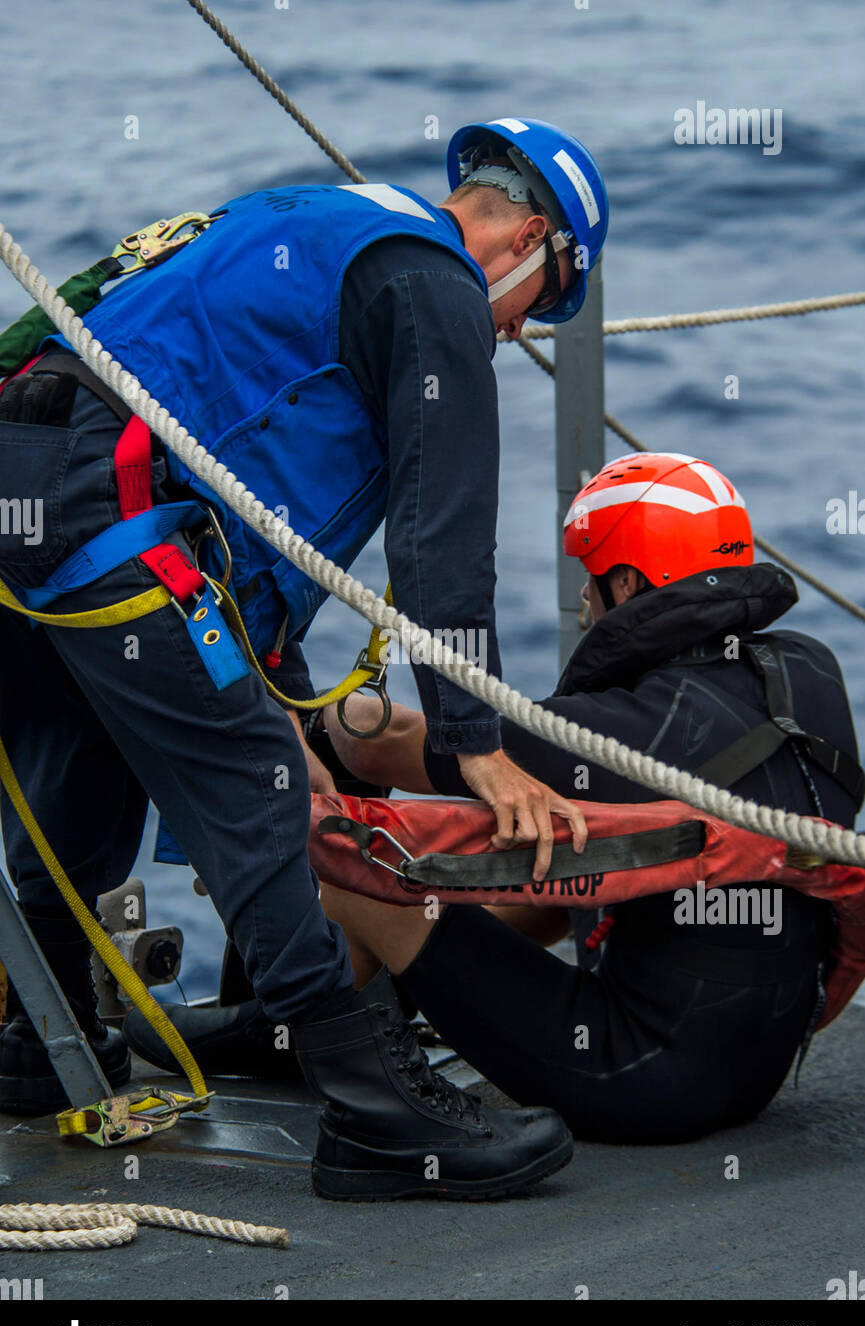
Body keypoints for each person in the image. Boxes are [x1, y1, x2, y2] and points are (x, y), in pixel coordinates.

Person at [0, 118, 609, 1200]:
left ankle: (45, 1042)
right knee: (259, 790)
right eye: (540, 307)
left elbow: (229, 425)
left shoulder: (311, 216)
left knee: (75, 749)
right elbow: (443, 542)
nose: (517, 335)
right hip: (114, 504)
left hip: (29, 477)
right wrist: (475, 744)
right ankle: (378, 1113)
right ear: (524, 240)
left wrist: (268, 671)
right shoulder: (439, 286)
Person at [304, 453, 863, 1142]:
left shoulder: (622, 731)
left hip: (637, 1078)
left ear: (624, 583)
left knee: (360, 887)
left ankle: (352, 1099)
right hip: (756, 1070)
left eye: (589, 581)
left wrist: (317, 717)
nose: (581, 603)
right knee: (547, 855)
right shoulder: (810, 668)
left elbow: (387, 746)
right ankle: (366, 1008)